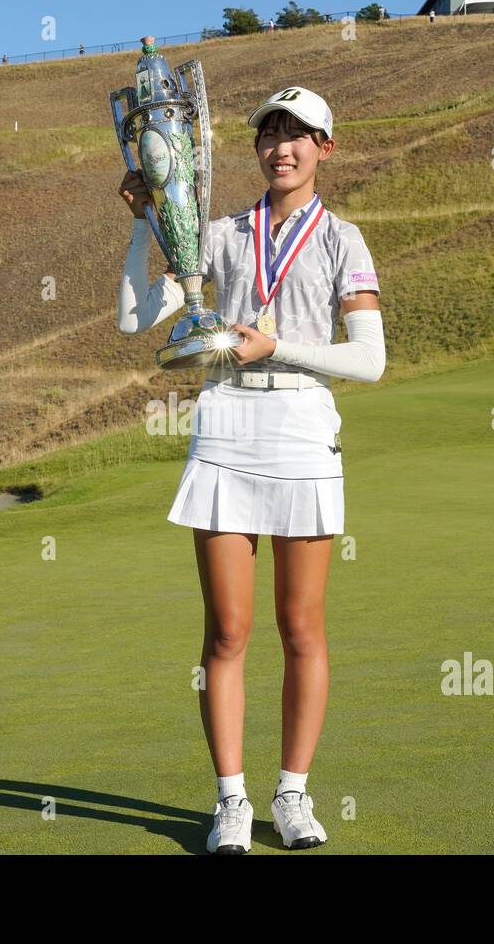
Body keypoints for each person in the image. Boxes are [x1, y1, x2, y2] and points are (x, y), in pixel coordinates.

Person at [116, 87, 385, 853]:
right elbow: (136, 318)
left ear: (325, 148)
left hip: (302, 428)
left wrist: (279, 347)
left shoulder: (342, 240)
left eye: (299, 135)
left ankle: (292, 795)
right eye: (270, 134)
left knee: (301, 629)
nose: (282, 147)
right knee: (227, 632)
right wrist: (143, 224)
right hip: (227, 429)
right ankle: (231, 802)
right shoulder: (220, 234)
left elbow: (369, 360)